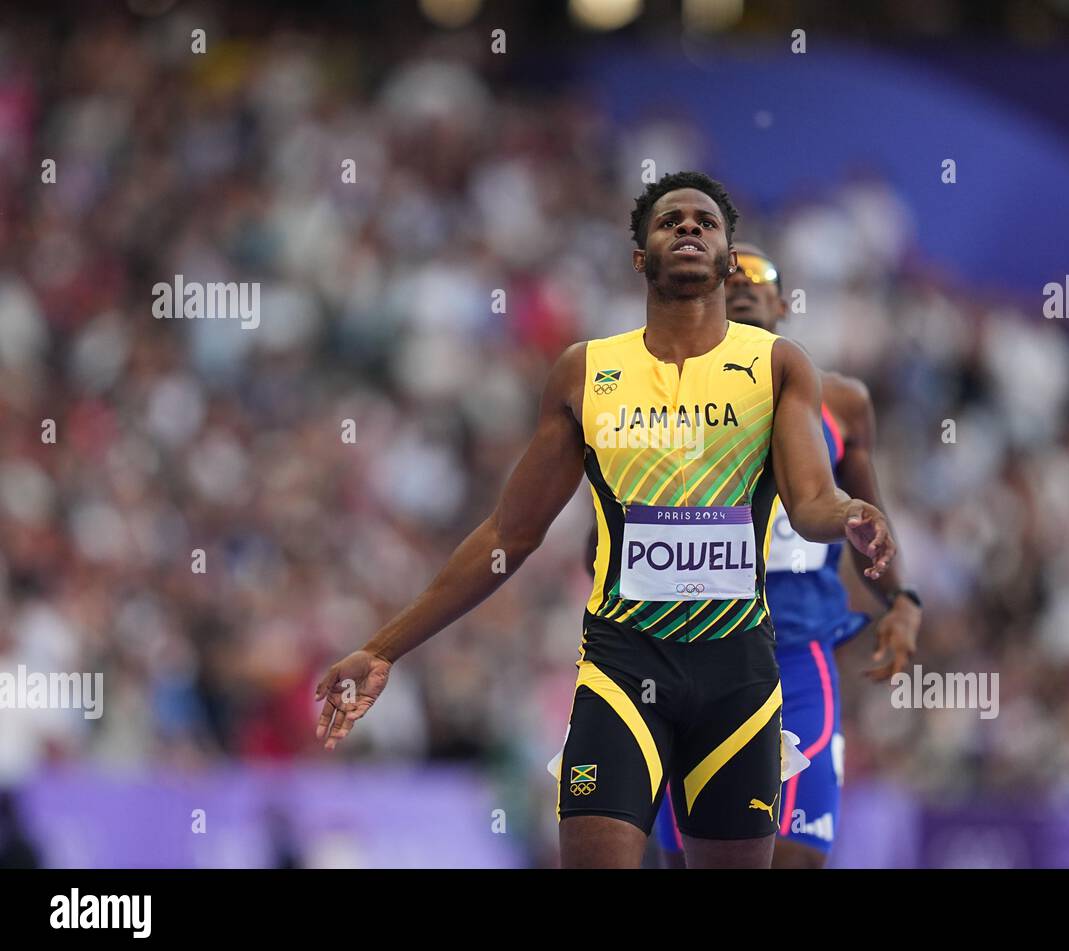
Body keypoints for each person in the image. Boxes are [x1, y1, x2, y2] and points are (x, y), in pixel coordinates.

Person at [314, 171, 896, 868]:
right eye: (670, 220)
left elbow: (809, 502)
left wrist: (851, 515)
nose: (687, 228)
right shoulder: (586, 372)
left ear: (725, 252)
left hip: (737, 677)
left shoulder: (776, 366)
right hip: (621, 668)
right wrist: (383, 649)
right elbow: (509, 534)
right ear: (639, 257)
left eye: (705, 223)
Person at [654, 243, 922, 868]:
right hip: (691, 650)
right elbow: (604, 546)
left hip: (796, 649)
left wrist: (902, 600)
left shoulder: (843, 403)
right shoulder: (661, 399)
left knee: (794, 855)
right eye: (730, 274)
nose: (743, 282)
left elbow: (869, 529)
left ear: (782, 304)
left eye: (760, 276)